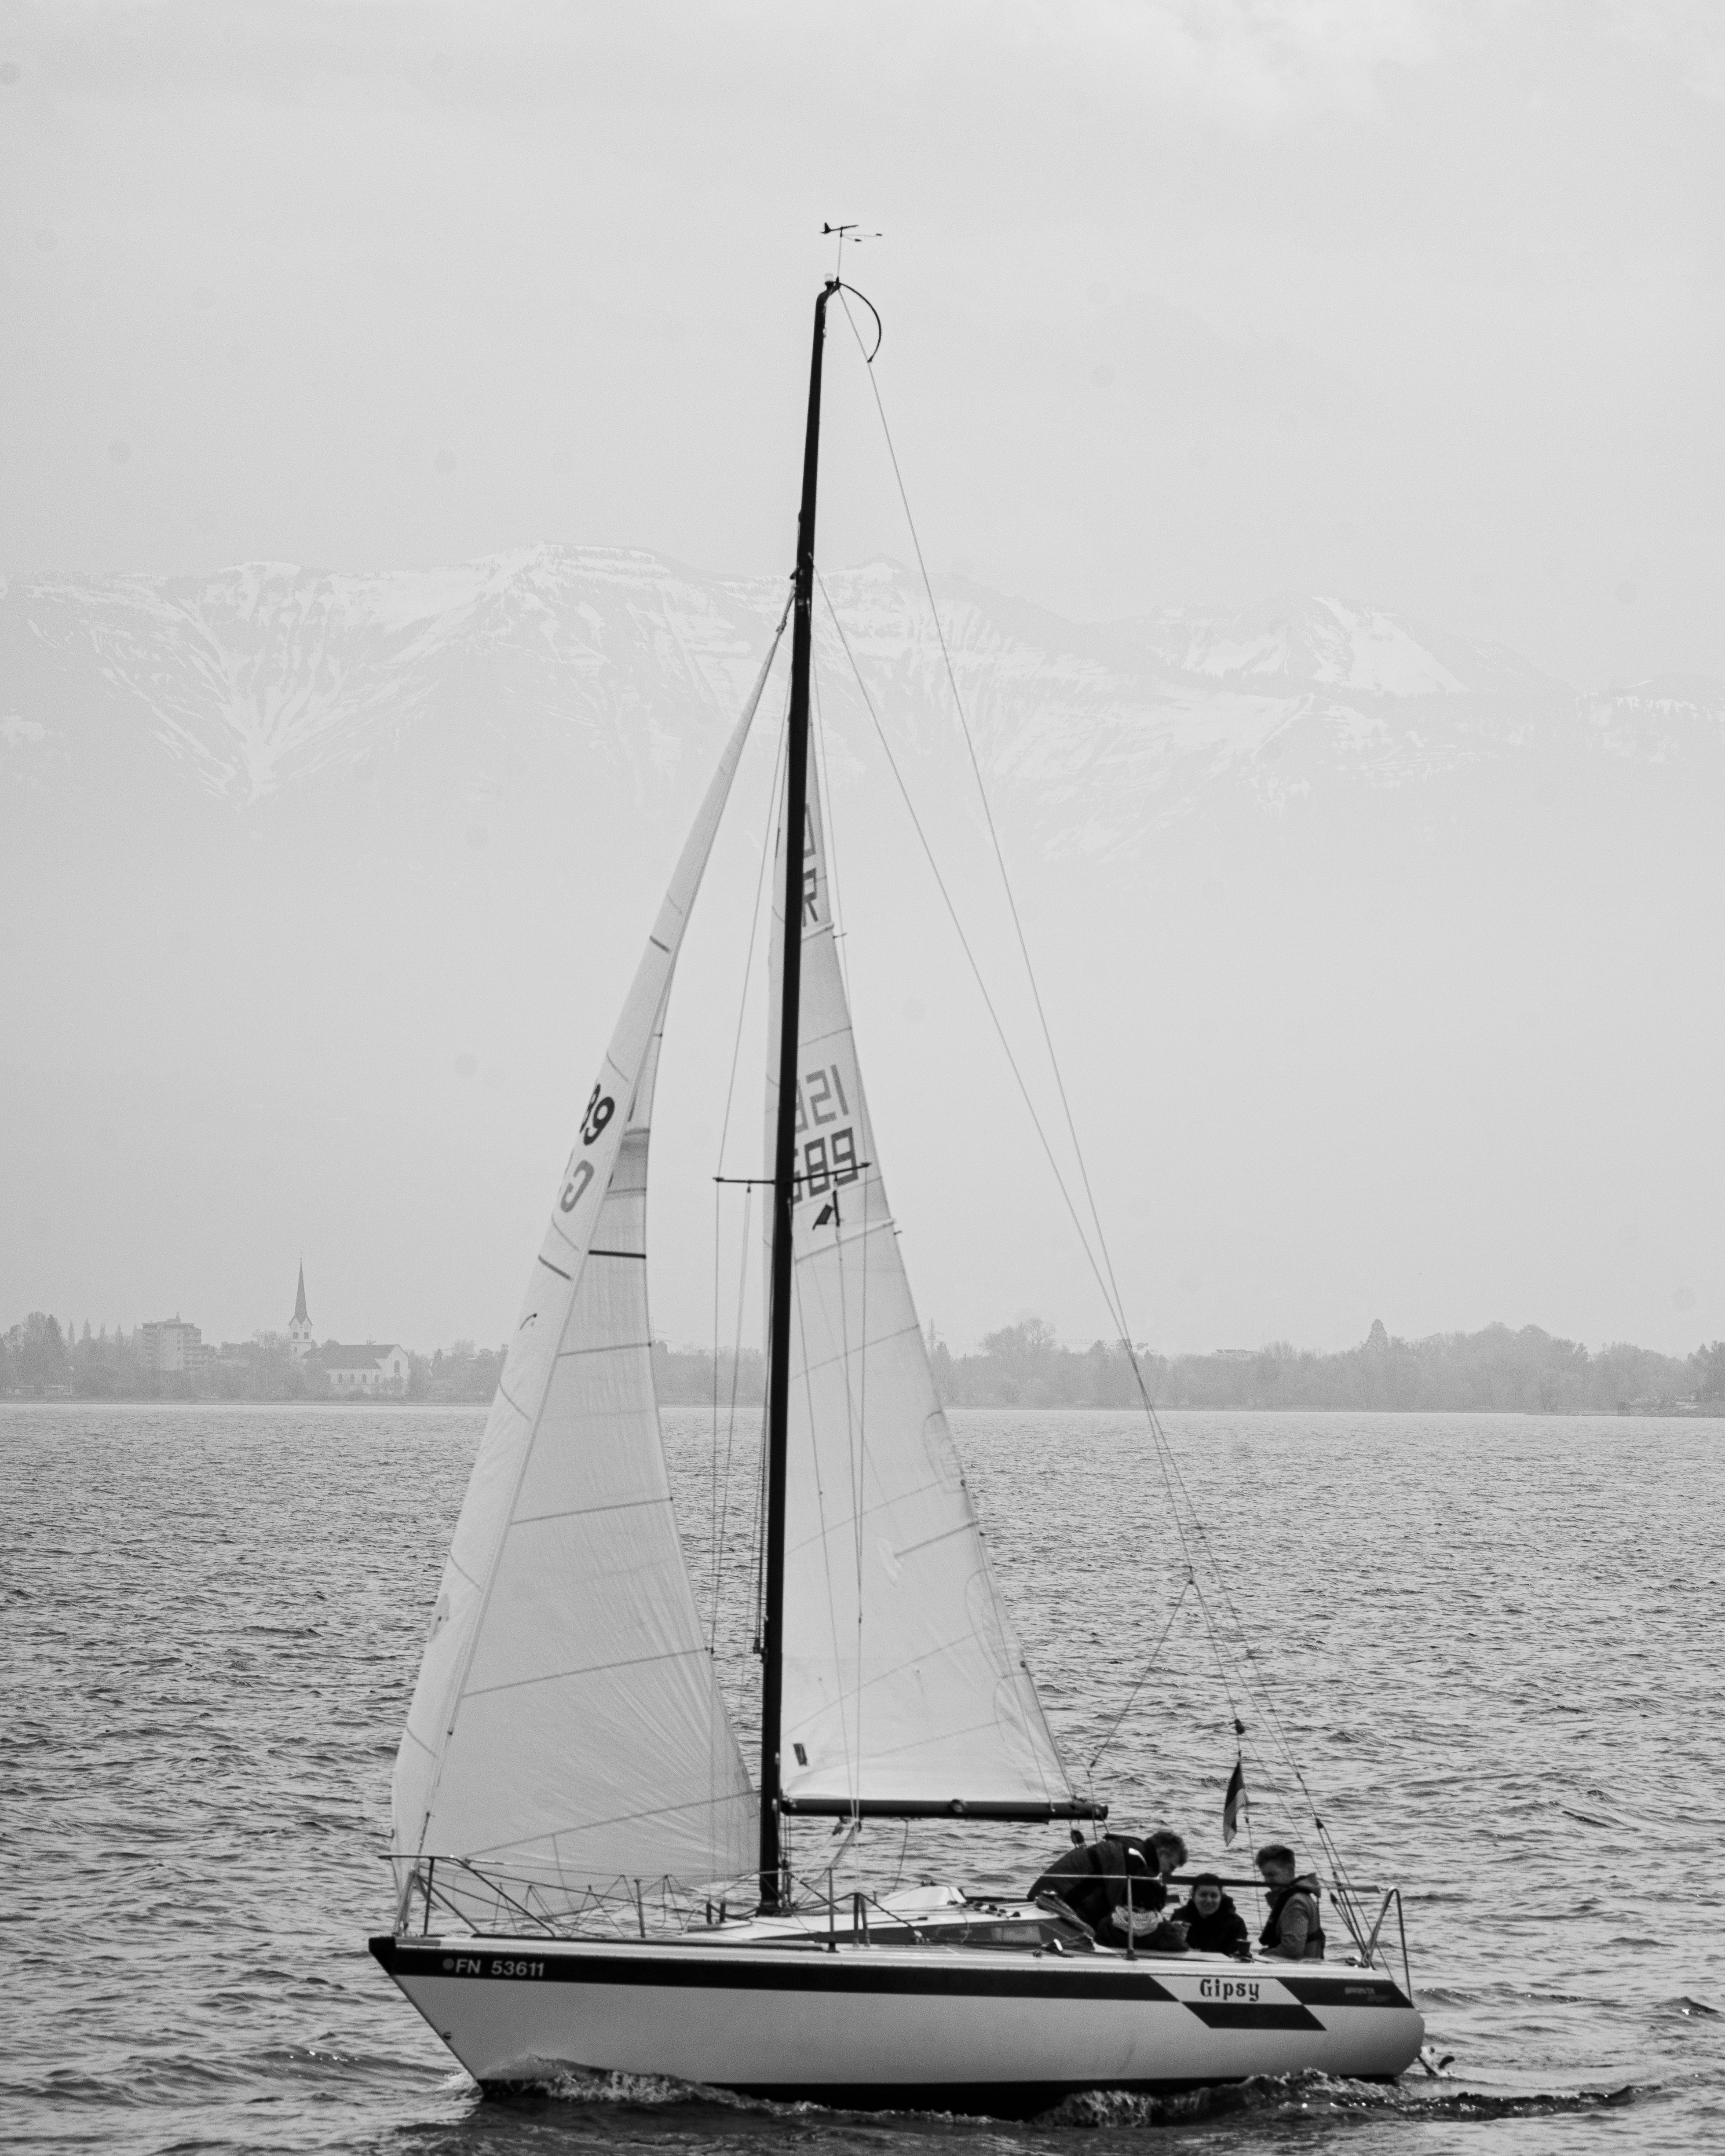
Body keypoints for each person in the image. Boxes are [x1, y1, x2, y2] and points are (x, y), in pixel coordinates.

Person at [1028, 1828, 1186, 1945]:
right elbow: (1121, 1910)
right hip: (1053, 1907)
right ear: (1163, 1854)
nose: (1169, 1873)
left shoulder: (1130, 1851)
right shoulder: (1132, 1858)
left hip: (1049, 1901)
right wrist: (1165, 1931)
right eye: (1171, 1867)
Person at [1254, 1843, 1326, 1960]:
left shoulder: (1296, 1903)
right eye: (1265, 1875)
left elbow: (1292, 1949)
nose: (1267, 1881)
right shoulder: (1290, 1899)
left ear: (1289, 1870)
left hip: (1301, 1973)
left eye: (1272, 1875)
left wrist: (1263, 1957)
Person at [1169, 1871, 1250, 1957]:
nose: (1209, 1900)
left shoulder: (1236, 1924)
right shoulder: (1180, 1917)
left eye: (1214, 1896)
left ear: (1221, 1898)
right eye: (1203, 1895)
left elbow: (1237, 1958)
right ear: (1193, 1896)